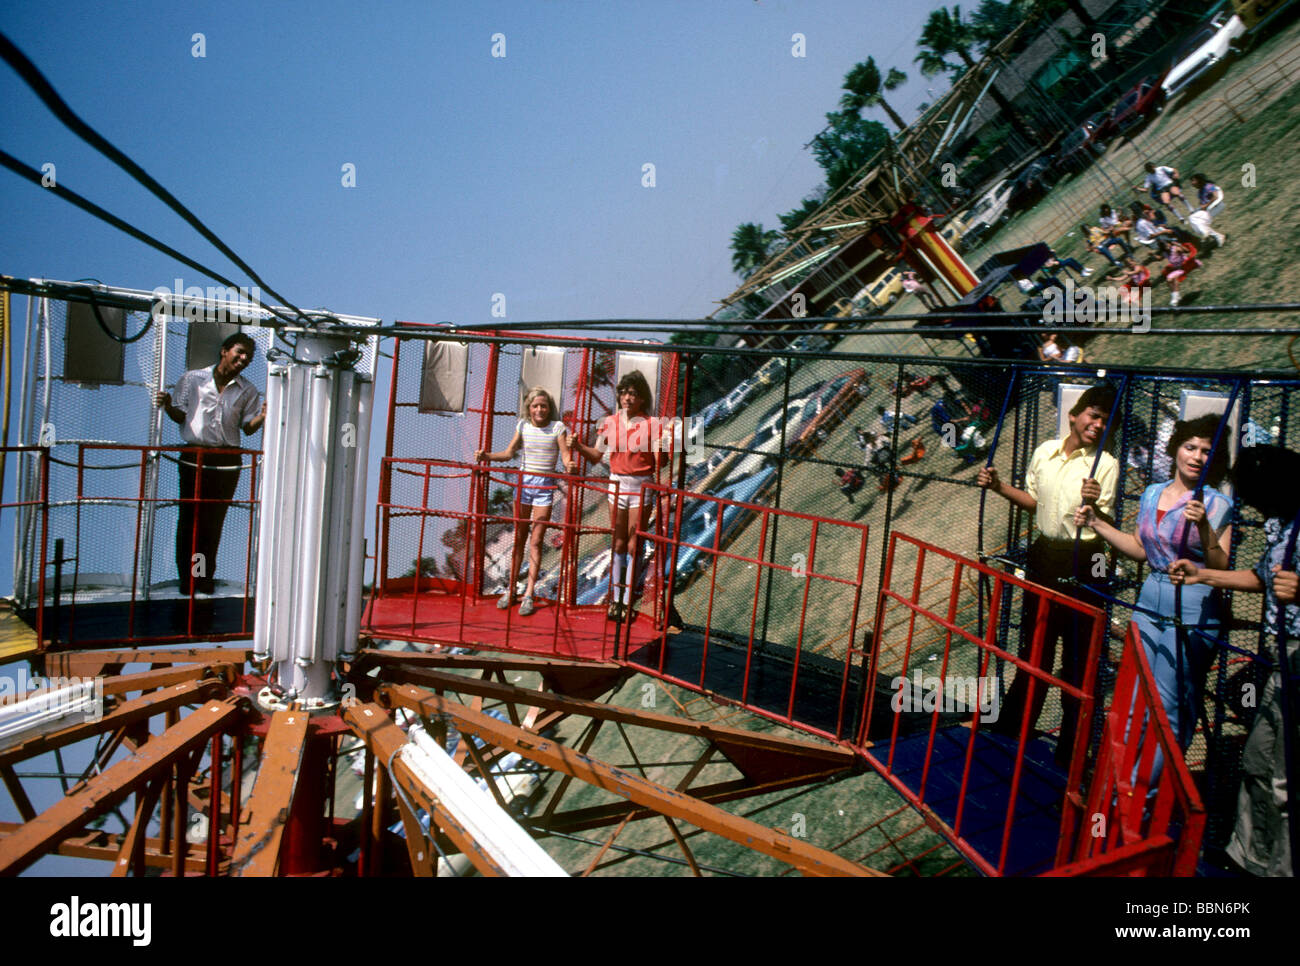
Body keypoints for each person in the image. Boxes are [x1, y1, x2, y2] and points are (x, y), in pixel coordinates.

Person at [1074, 415, 1232, 769]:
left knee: (1169, 701)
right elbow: (1142, 549)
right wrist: (1097, 522)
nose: (1196, 457)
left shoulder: (1218, 503)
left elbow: (1221, 566)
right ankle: (1119, 782)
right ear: (1176, 449)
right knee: (1133, 693)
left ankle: (1147, 795)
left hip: (1194, 600)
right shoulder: (1151, 494)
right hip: (1150, 595)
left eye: (1207, 451)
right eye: (1190, 447)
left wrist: (1204, 525)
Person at [1170, 445, 1300, 876]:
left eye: (1261, 498)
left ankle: (1279, 867)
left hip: (1296, 652)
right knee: (1258, 761)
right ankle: (1247, 854)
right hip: (1277, 657)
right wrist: (1203, 573)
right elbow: (1261, 577)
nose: (1259, 508)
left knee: (1283, 776)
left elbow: (1287, 585)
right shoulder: (1281, 524)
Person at [977, 383, 1119, 761]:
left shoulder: (1105, 463)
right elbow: (1035, 502)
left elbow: (1103, 522)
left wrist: (1094, 505)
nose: (1097, 424)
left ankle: (1072, 752)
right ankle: (1012, 732)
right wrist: (998, 486)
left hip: (1085, 558)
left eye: (1105, 421)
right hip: (1044, 554)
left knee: (1078, 658)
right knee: (1034, 648)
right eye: (1093, 415)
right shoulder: (1044, 452)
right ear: (1074, 414)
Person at [155, 333, 266, 596]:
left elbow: (247, 429)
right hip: (195, 456)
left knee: (213, 521)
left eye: (248, 356)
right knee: (190, 519)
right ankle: (189, 580)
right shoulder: (193, 379)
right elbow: (180, 414)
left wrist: (262, 416)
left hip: (227, 459)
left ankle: (204, 579)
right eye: (239, 352)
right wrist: (168, 406)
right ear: (224, 351)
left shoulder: (248, 389)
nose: (244, 359)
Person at [571, 370, 671, 621]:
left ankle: (627, 601)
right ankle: (615, 599)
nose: (627, 397)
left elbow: (662, 462)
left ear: (641, 399)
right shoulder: (610, 423)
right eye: (624, 392)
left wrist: (665, 444)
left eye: (633, 393)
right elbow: (596, 456)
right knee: (617, 543)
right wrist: (577, 447)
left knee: (633, 543)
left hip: (641, 485)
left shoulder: (651, 425)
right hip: (617, 483)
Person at [474, 387, 575, 616]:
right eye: (535, 406)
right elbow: (510, 453)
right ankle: (511, 590)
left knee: (536, 540)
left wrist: (569, 464)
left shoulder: (557, 428)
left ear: (549, 409)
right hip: (524, 486)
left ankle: (529, 594)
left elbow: (566, 454)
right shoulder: (523, 426)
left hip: (544, 487)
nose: (540, 409)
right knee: (519, 537)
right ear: (529, 409)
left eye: (544, 406)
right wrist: (487, 456)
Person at [1187, 173, 1227, 247]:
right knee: (1196, 223)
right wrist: (1199, 208)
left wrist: (1206, 205)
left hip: (1215, 207)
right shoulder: (1199, 192)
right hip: (1207, 210)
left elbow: (1215, 196)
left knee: (1194, 220)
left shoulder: (1208, 186)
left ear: (1199, 180)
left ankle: (1210, 234)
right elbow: (1202, 203)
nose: (1192, 183)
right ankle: (1217, 236)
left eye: (1193, 181)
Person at [1162, 239, 1201, 306]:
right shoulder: (1165, 253)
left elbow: (1187, 251)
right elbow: (1159, 258)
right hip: (1178, 269)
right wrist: (1153, 256)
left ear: (1170, 244)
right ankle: (1176, 296)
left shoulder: (1176, 249)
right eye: (1164, 246)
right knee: (1168, 280)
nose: (1166, 247)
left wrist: (1178, 244)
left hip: (1186, 265)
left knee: (1174, 279)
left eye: (1167, 245)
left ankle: (1175, 299)